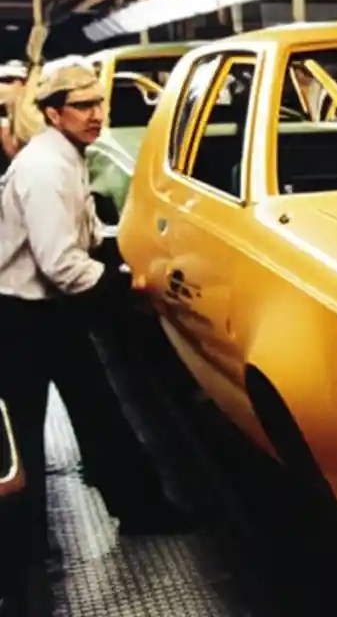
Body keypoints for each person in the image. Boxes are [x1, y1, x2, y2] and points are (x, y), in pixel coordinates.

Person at [0, 62, 193, 615]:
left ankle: (141, 510)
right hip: (23, 318)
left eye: (99, 103)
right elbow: (60, 263)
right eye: (82, 106)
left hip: (47, 314)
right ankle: (21, 558)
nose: (96, 114)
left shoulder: (65, 157)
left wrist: (119, 244)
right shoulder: (45, 168)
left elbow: (80, 233)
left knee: (99, 410)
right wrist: (123, 283)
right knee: (26, 438)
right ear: (53, 112)